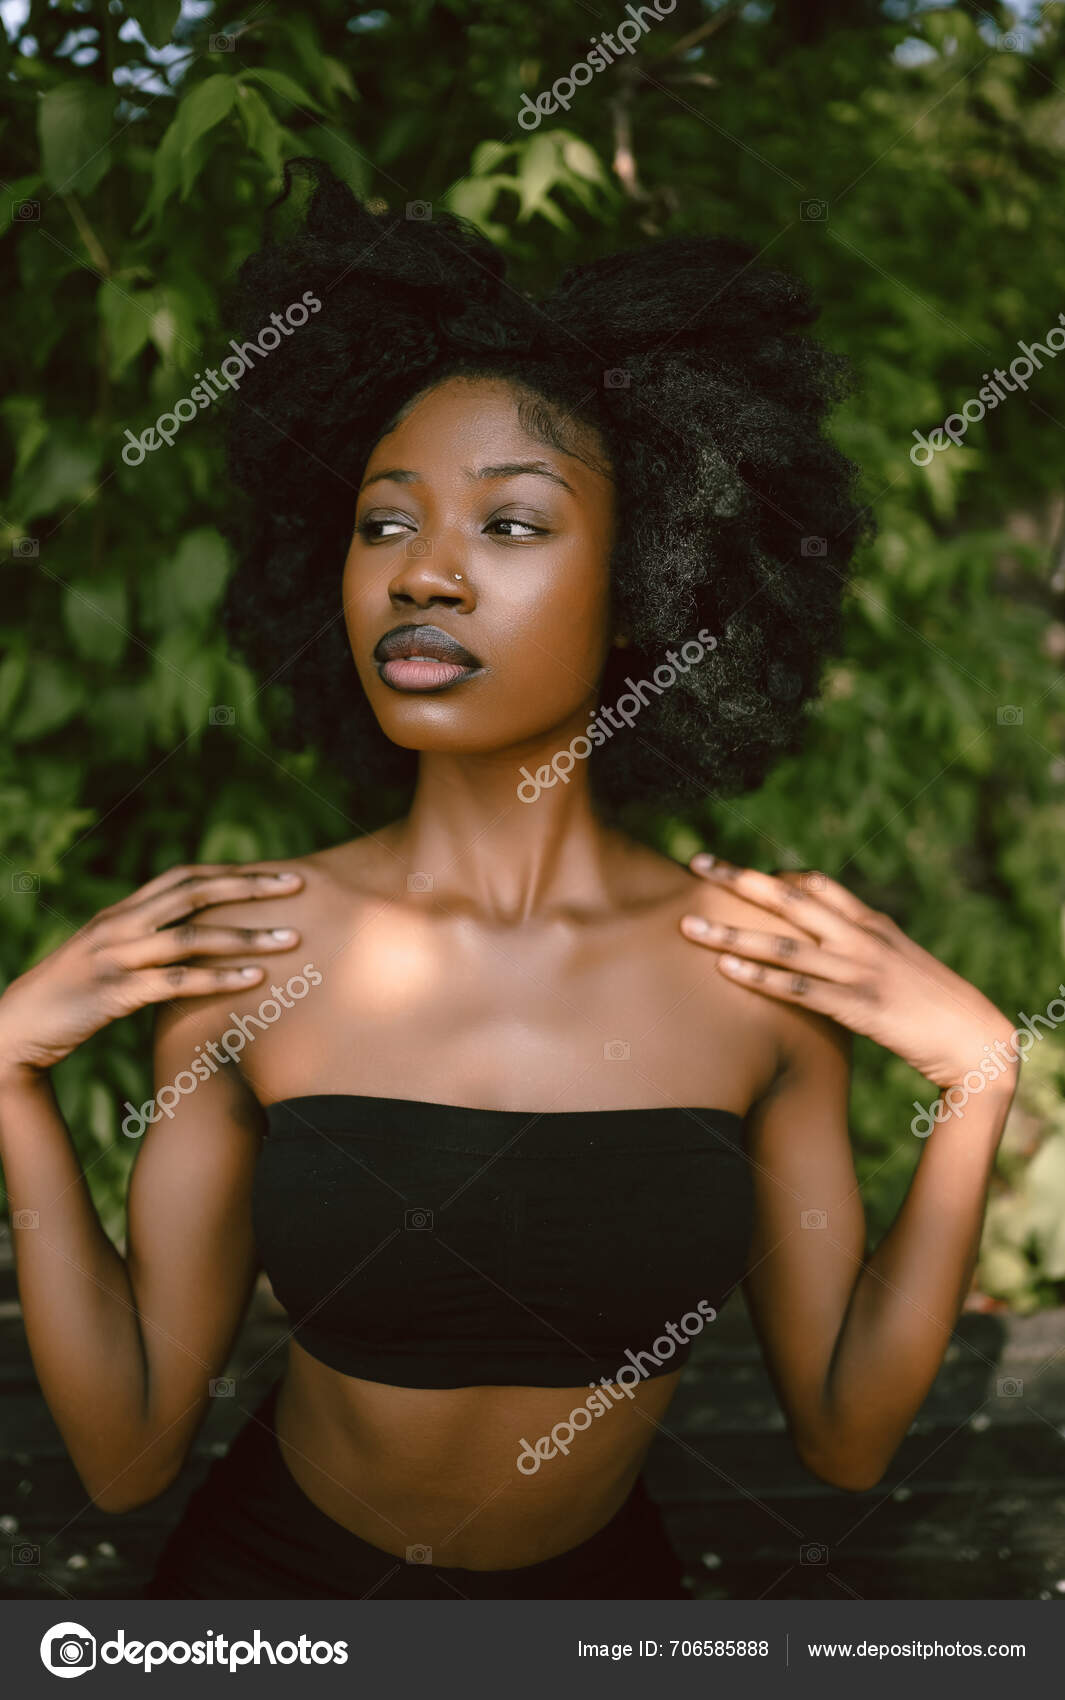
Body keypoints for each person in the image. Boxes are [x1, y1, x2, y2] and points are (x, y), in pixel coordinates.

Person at [0, 160, 1019, 1600]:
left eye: (512, 523)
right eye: (384, 521)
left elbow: (846, 1440)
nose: (422, 574)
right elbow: (127, 1458)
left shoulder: (754, 980)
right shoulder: (250, 952)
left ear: (651, 592)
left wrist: (977, 1077)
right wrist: (6, 1077)